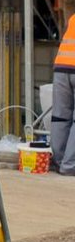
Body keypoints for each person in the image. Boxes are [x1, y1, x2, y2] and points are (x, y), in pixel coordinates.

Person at [51, 10, 75, 176]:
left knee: (60, 117)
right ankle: (70, 166)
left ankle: (59, 162)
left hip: (61, 68)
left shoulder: (74, 17)